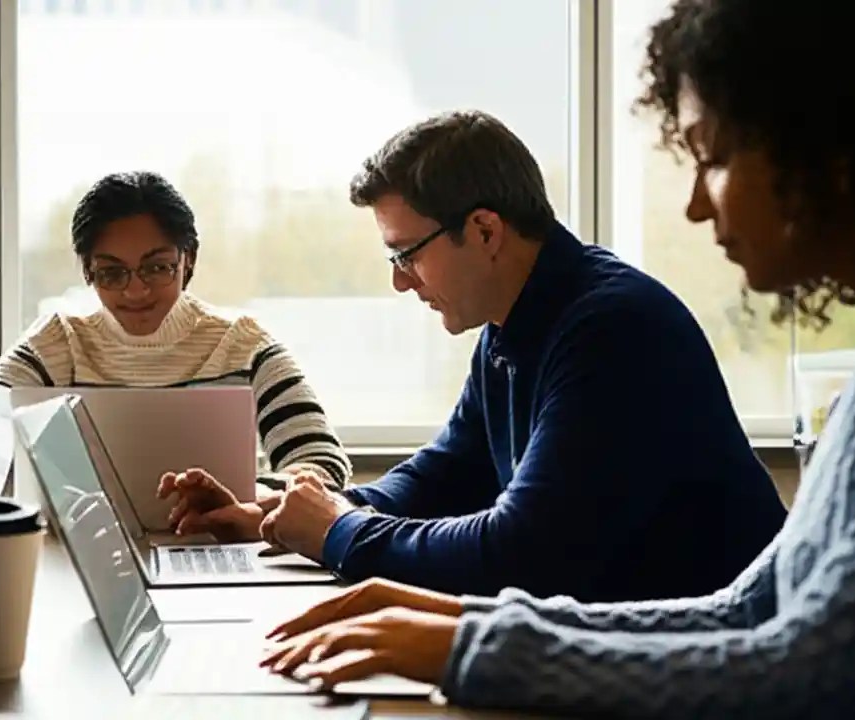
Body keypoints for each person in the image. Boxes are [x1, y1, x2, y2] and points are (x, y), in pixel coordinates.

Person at [258, 0, 855, 716]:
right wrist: (462, 623)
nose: (695, 208)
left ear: (827, 152)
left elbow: (811, 670)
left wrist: (441, 624)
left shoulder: (616, 326)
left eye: (710, 157)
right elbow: (743, 611)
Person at [164, 109, 785, 601]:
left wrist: (335, 531)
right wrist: (286, 512)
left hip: (720, 674)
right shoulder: (510, 326)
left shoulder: (611, 329)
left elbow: (520, 553)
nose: (400, 281)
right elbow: (445, 474)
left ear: (486, 232)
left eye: (407, 253)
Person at [0, 171, 351, 525]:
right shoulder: (53, 346)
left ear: (187, 260)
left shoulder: (243, 345)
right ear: (88, 271)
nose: (135, 290)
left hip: (220, 549)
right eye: (112, 272)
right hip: (79, 559)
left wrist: (245, 502)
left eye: (157, 267)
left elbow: (322, 465)